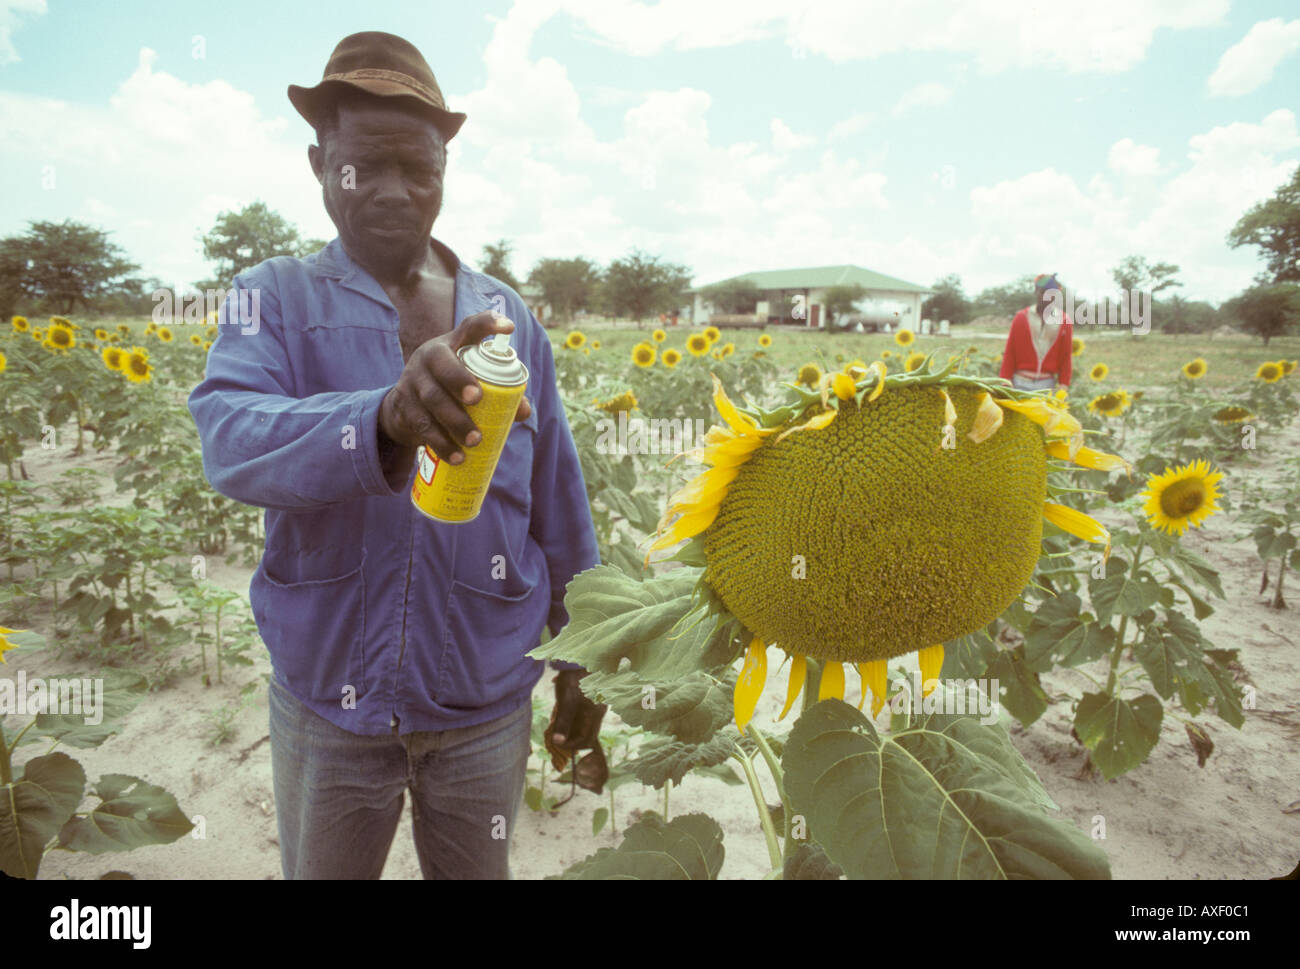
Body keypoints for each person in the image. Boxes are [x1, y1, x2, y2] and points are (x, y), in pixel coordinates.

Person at [188, 31, 603, 880]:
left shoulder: (507, 319)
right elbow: (230, 436)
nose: (392, 193)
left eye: (418, 169)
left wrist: (581, 653)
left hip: (484, 704)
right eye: (363, 166)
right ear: (318, 161)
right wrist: (379, 419)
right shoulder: (270, 298)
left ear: (445, 168)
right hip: (329, 705)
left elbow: (557, 498)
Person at [999, 273, 1073, 391]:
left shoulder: (1064, 321)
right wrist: (1005, 380)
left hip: (1047, 385)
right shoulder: (1021, 317)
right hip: (1019, 382)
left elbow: (1066, 355)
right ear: (1036, 291)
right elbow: (1010, 351)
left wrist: (1064, 384)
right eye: (1043, 292)